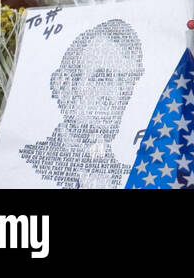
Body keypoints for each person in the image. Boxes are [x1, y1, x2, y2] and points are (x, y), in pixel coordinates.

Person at [20, 18, 144, 189]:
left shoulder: (132, 175)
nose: (116, 98)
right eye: (101, 78)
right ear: (64, 86)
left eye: (126, 82)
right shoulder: (26, 164)